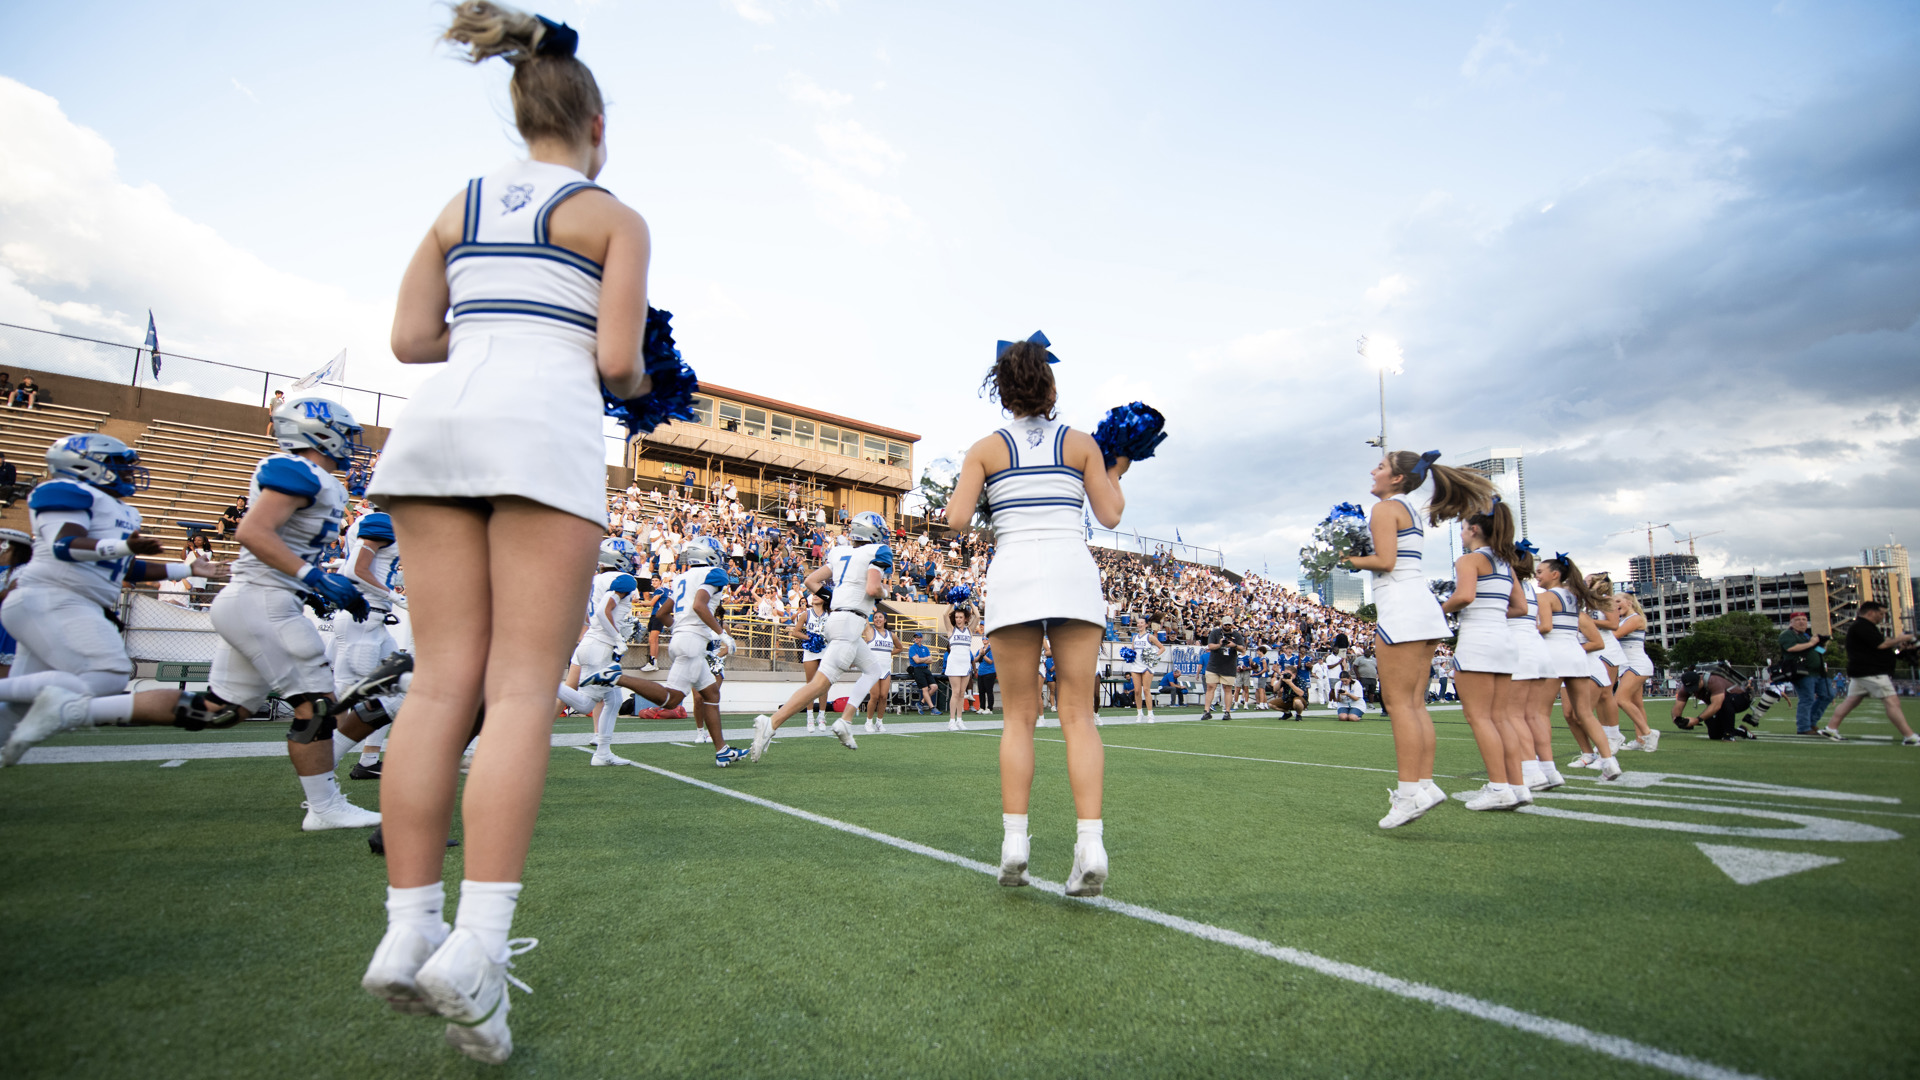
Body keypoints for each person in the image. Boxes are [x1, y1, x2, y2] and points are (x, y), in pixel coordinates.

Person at [357, 6, 652, 1063]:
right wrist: (642, 376)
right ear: (597, 124)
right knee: (522, 687)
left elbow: (409, 338)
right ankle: (476, 945)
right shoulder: (612, 216)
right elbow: (618, 363)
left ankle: (405, 933)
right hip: (539, 432)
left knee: (440, 684)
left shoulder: (458, 203)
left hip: (436, 428)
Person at [942, 333, 1129, 897]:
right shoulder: (1081, 444)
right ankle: (1090, 844)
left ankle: (1014, 844)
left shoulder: (984, 448)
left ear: (1003, 392)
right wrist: (1115, 468)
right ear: (1050, 386)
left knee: (1019, 715)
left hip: (1015, 575)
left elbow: (953, 519)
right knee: (1079, 715)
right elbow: (1111, 515)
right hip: (1072, 572)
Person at [0, 436, 228, 764]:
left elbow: (125, 565)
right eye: (118, 465)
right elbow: (66, 546)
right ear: (85, 466)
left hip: (67, 601)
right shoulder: (67, 492)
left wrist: (188, 567)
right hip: (52, 597)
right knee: (107, 673)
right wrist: (124, 547)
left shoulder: (121, 510)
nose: (129, 472)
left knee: (19, 704)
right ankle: (63, 712)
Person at [1345, 449, 1494, 828]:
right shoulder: (1408, 507)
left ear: (1396, 478)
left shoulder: (1384, 508)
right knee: (1414, 705)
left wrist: (1343, 559)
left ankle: (1410, 793)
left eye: (1380, 467)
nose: (1372, 471)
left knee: (1400, 706)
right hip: (1421, 607)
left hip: (1402, 607)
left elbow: (1386, 561)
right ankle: (1424, 785)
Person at [750, 510, 895, 758]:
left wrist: (833, 598)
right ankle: (771, 723)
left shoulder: (840, 552)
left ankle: (846, 720)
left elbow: (811, 580)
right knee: (819, 684)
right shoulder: (878, 551)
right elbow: (873, 588)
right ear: (874, 532)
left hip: (838, 618)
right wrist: (885, 592)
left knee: (872, 670)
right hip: (850, 621)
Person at [1438, 498, 1530, 811]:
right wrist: (1491, 610)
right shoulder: (1506, 564)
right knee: (1501, 717)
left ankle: (1499, 787)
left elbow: (1464, 596)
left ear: (1475, 529)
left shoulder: (1470, 560)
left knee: (1479, 718)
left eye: (1463, 528)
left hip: (1478, 641)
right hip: (1503, 640)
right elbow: (1521, 608)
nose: (1462, 533)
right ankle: (1517, 786)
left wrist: (1438, 610)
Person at [335, 510, 408, 780]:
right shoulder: (381, 521)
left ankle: (368, 760)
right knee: (346, 698)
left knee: (395, 690)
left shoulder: (391, 522)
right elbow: (355, 569)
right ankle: (321, 766)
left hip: (372, 620)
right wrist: (394, 596)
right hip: (362, 618)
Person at [1537, 553, 1622, 778]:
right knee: (1585, 713)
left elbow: (1545, 627)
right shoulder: (1575, 598)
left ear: (1554, 574)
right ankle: (1609, 762)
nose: (1537, 577)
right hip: (1576, 656)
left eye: (1540, 572)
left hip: (1555, 655)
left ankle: (1543, 765)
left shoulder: (1546, 597)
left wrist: (1526, 632)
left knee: (1541, 713)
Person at [1506, 541, 1568, 791]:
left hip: (1518, 647)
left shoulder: (1509, 581)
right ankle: (1549, 770)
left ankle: (1531, 772)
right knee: (1536, 715)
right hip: (1538, 649)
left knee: (1512, 715)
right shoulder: (1532, 587)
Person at [1822, 601, 1919, 744]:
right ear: (1871, 612)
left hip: (1862, 670)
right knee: (1892, 702)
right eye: (1881, 614)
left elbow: (1880, 649)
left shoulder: (1865, 627)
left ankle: (1831, 728)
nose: (1882, 617)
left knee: (1851, 702)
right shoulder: (1862, 626)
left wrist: (1900, 648)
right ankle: (1909, 736)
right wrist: (1902, 638)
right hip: (1871, 671)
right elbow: (1881, 645)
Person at [1612, 594, 1658, 751]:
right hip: (1626, 665)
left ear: (1629, 602)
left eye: (1618, 601)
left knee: (1620, 699)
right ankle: (1641, 741)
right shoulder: (1621, 619)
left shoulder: (1636, 618)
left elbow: (1615, 635)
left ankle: (1649, 733)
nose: (1615, 604)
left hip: (1637, 664)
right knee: (1637, 705)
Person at [1778, 612, 1834, 735]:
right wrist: (1812, 643)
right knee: (1807, 698)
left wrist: (1823, 643)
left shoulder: (1807, 636)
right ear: (1791, 622)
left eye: (1804, 619)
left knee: (1828, 695)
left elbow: (1820, 651)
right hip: (1802, 672)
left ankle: (1811, 722)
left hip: (1818, 672)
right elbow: (1791, 648)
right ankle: (1804, 727)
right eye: (1797, 619)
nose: (1802, 622)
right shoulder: (1787, 635)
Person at [1671, 668, 1758, 741]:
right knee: (1714, 735)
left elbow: (1716, 705)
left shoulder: (1713, 682)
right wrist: (1678, 721)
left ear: (1700, 680)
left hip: (1741, 699)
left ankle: (1729, 734)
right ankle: (1741, 731)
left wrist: (1696, 720)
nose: (1693, 690)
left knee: (1725, 700)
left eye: (1695, 687)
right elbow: (1678, 705)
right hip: (1721, 705)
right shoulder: (1686, 688)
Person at [792, 592, 833, 731]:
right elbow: (795, 632)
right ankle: (810, 718)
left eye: (818, 595)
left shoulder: (830, 614)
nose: (815, 597)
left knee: (823, 685)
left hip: (825, 651)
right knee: (810, 685)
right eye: (814, 595)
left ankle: (821, 717)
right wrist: (809, 638)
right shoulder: (806, 614)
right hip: (810, 651)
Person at [863, 611, 899, 732]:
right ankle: (868, 722)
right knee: (874, 696)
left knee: (884, 696)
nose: (878, 619)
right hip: (872, 669)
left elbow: (900, 647)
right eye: (876, 617)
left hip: (886, 669)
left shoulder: (891, 635)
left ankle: (879, 721)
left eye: (880, 617)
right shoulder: (869, 631)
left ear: (885, 620)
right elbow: (864, 618)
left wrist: (889, 653)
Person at [942, 606, 976, 731]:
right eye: (956, 617)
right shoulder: (951, 630)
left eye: (961, 617)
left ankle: (960, 720)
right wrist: (951, 603)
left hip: (965, 664)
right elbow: (944, 615)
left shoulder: (969, 630)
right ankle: (951, 721)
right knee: (955, 693)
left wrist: (971, 603)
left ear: (966, 618)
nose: (958, 619)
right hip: (954, 664)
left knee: (962, 693)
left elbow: (977, 616)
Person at [1200, 620, 1241, 721]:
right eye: (1225, 624)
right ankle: (1206, 711)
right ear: (1222, 624)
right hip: (1214, 665)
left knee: (1227, 689)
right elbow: (1210, 646)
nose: (1227, 626)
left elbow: (1243, 648)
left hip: (1229, 665)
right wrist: (1220, 644)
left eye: (1229, 624)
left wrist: (1234, 645)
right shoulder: (1215, 633)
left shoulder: (1237, 635)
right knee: (1210, 687)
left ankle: (1227, 712)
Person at [1124, 623, 1158, 723]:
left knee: (1146, 690)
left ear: (1146, 625)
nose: (1139, 625)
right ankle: (1139, 713)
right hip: (1135, 665)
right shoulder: (1135, 637)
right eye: (1138, 623)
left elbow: (1162, 648)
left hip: (1147, 666)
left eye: (1142, 623)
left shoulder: (1150, 637)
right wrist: (1128, 654)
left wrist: (1154, 656)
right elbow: (1133, 650)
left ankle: (1150, 714)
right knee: (1137, 691)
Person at [906, 631, 935, 714]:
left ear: (921, 638)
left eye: (918, 637)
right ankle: (932, 708)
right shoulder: (912, 648)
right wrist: (925, 659)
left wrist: (922, 659)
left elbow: (931, 660)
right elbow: (917, 661)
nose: (916, 639)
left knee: (934, 687)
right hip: (917, 669)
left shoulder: (925, 648)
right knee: (925, 689)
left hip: (926, 669)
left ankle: (920, 703)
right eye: (915, 637)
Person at [975, 642, 998, 713]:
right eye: (983, 638)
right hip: (981, 672)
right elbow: (975, 660)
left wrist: (984, 655)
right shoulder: (980, 649)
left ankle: (989, 708)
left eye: (986, 638)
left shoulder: (992, 649)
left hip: (990, 672)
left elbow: (990, 661)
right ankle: (982, 707)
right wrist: (980, 654)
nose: (984, 639)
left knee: (989, 690)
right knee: (981, 690)